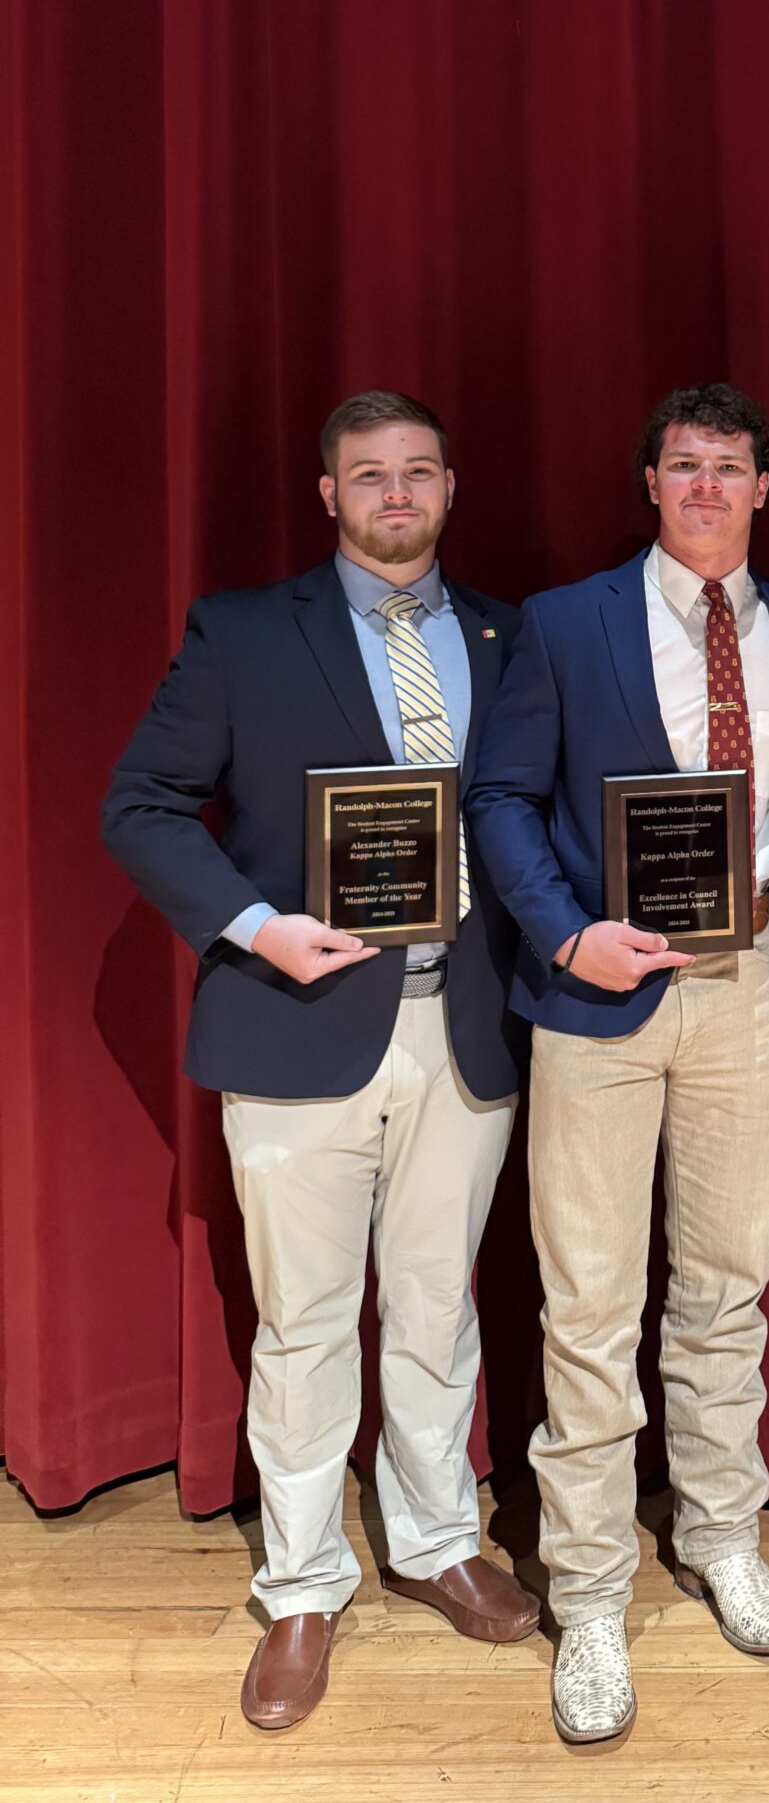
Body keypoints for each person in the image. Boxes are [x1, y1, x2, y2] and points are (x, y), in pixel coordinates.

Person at [101, 391, 536, 1733]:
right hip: (295, 1025)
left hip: (462, 1024)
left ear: (451, 489)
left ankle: (435, 1541)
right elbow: (143, 804)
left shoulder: (506, 637)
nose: (394, 495)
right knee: (301, 1323)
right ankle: (300, 1583)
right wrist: (256, 927)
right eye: (369, 476)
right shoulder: (242, 632)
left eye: (416, 474)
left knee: (435, 1303)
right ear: (327, 493)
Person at [467, 384, 769, 1748]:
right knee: (590, 1305)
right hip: (600, 997)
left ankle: (722, 1533)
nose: (710, 487)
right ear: (651, 486)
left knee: (728, 1286)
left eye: (732, 468)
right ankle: (595, 1590)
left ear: (763, 490)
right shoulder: (564, 623)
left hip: (742, 993)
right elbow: (499, 797)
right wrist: (565, 938)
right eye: (687, 466)